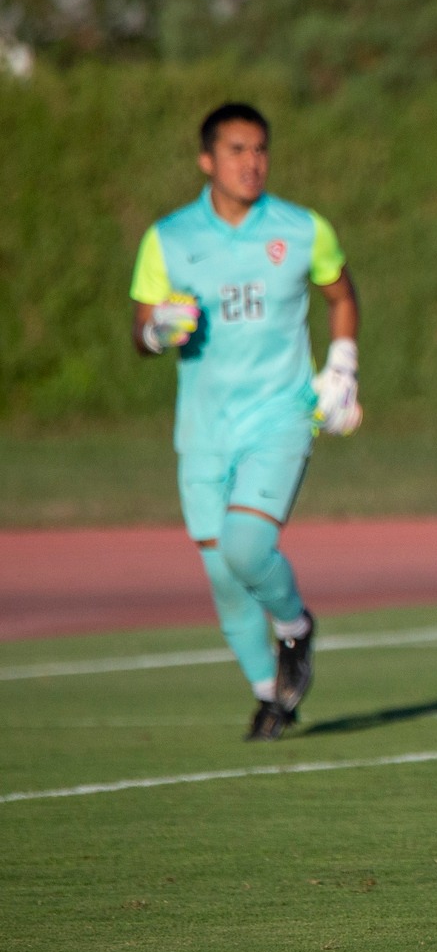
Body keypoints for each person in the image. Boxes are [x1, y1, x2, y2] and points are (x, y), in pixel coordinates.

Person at [130, 102, 364, 741]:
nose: (251, 162)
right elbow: (141, 329)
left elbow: (342, 295)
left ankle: (295, 627)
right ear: (207, 160)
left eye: (260, 150)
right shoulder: (168, 239)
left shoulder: (303, 228)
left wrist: (342, 366)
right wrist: (156, 331)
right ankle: (273, 696)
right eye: (236, 150)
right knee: (220, 574)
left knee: (246, 548)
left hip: (282, 414)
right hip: (204, 427)